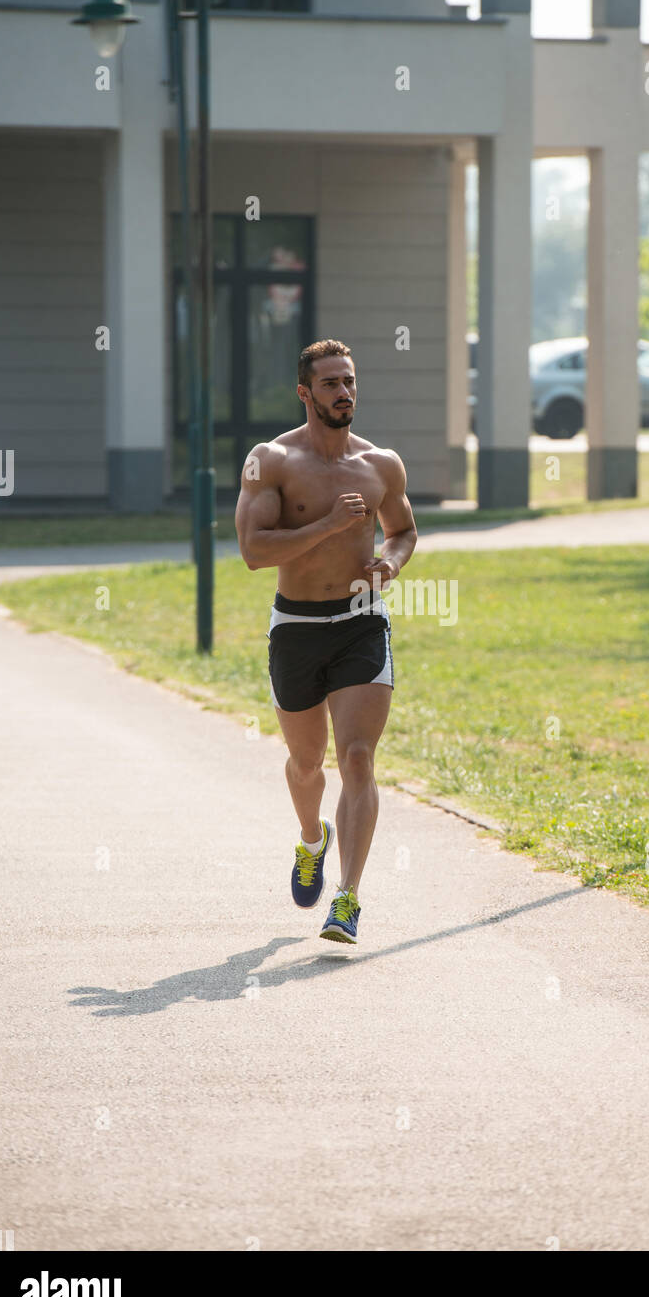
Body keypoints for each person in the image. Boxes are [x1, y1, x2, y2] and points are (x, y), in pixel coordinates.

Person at [235, 339, 417, 944]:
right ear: (305, 392)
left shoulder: (381, 465)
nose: (345, 393)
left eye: (350, 382)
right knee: (308, 763)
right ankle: (313, 839)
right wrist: (327, 525)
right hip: (298, 629)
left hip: (362, 621)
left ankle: (348, 899)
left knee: (357, 757)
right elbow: (254, 552)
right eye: (332, 383)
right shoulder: (272, 461)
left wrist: (389, 566)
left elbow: (404, 531)